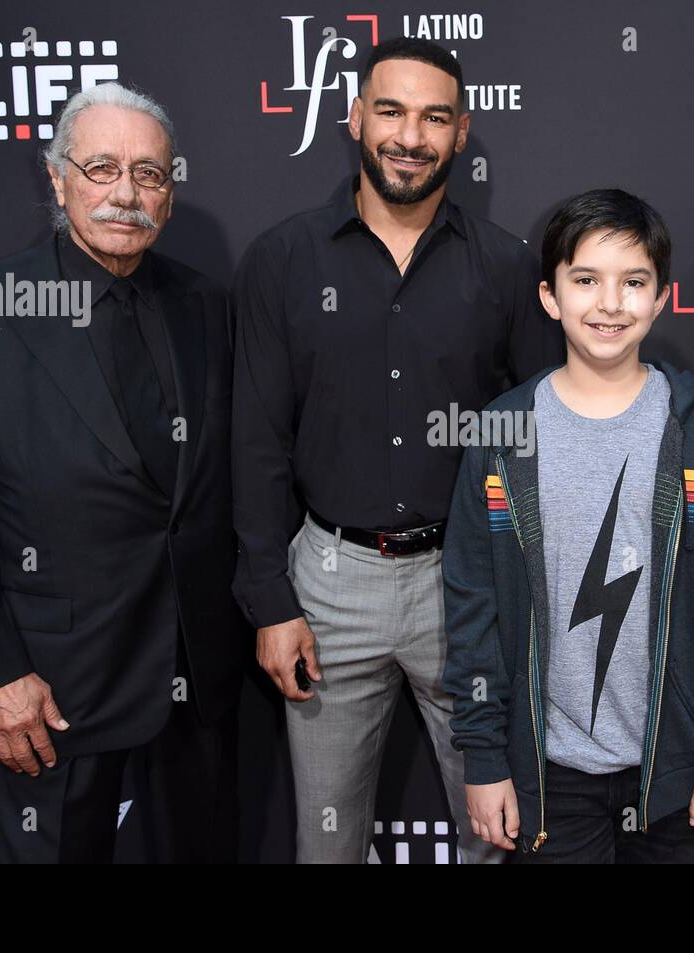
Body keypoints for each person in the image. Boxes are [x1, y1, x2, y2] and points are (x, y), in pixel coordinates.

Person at [231, 37, 564, 863]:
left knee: (502, 836)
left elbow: (543, 442)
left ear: (460, 132)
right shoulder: (282, 258)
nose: (409, 136)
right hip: (328, 586)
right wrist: (271, 599)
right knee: (327, 843)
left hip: (469, 584)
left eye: (433, 117)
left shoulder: (507, 266)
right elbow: (258, 440)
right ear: (355, 118)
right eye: (390, 110)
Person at [0, 83, 245, 863]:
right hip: (54, 688)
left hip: (198, 679)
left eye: (150, 174)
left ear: (170, 189)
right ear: (57, 178)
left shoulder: (209, 307)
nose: (126, 193)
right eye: (101, 168)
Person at [443, 188, 694, 862]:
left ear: (660, 298)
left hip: (677, 770)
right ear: (549, 295)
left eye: (633, 282)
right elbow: (472, 604)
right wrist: (483, 755)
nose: (610, 303)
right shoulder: (503, 436)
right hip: (551, 772)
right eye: (586, 280)